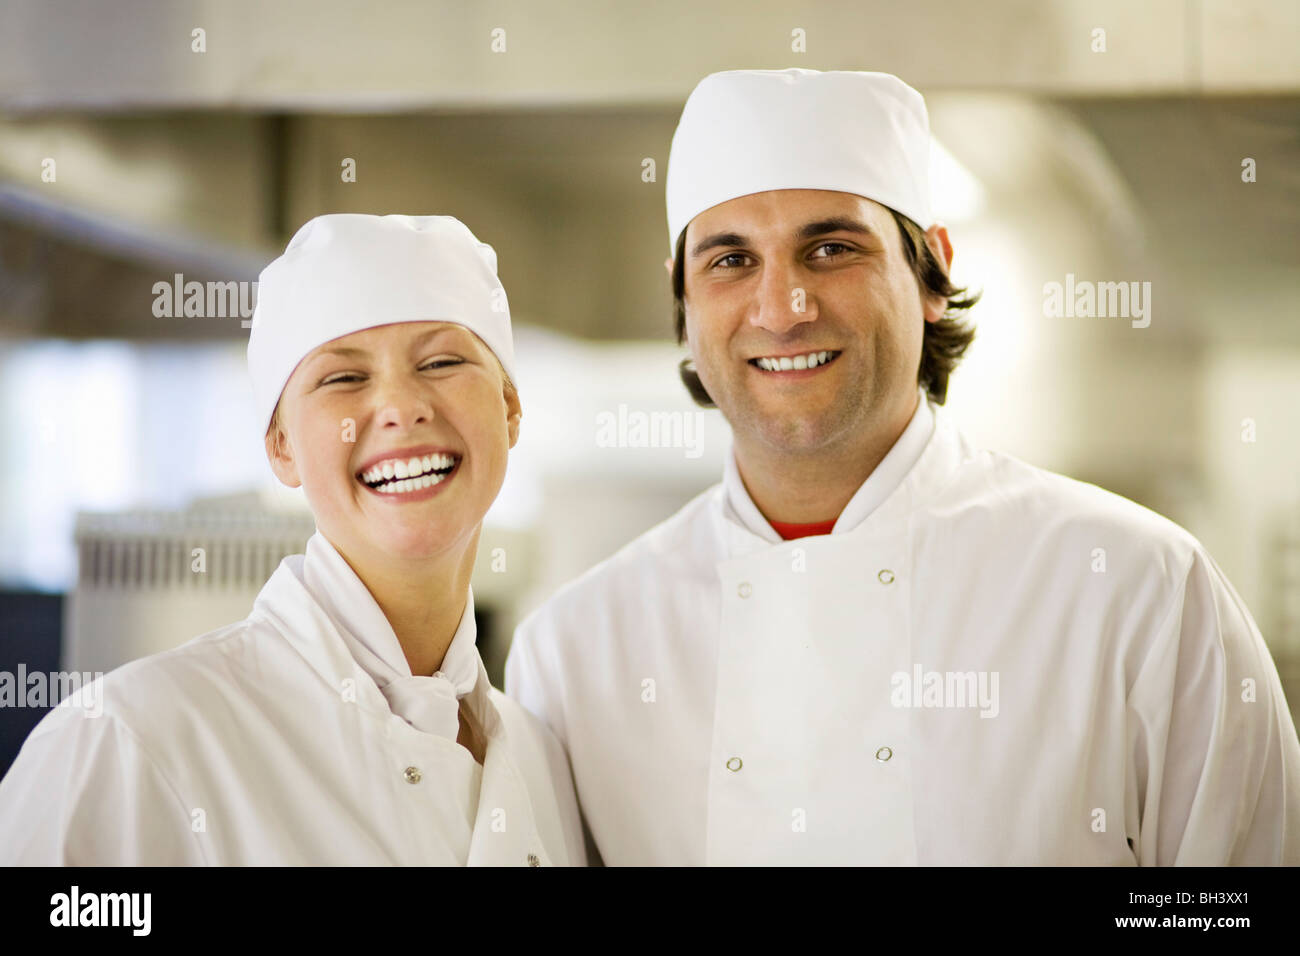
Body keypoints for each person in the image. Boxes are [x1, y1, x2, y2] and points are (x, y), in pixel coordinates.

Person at [505, 68, 1300, 865]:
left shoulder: (1139, 590)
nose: (782, 308)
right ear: (683, 303)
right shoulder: (577, 651)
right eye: (731, 260)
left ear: (933, 275)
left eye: (830, 248)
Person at [0, 214, 586, 866]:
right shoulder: (132, 741)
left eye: (443, 361)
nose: (400, 405)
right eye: (343, 377)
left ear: (509, 409)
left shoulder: (542, 761)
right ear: (282, 447)